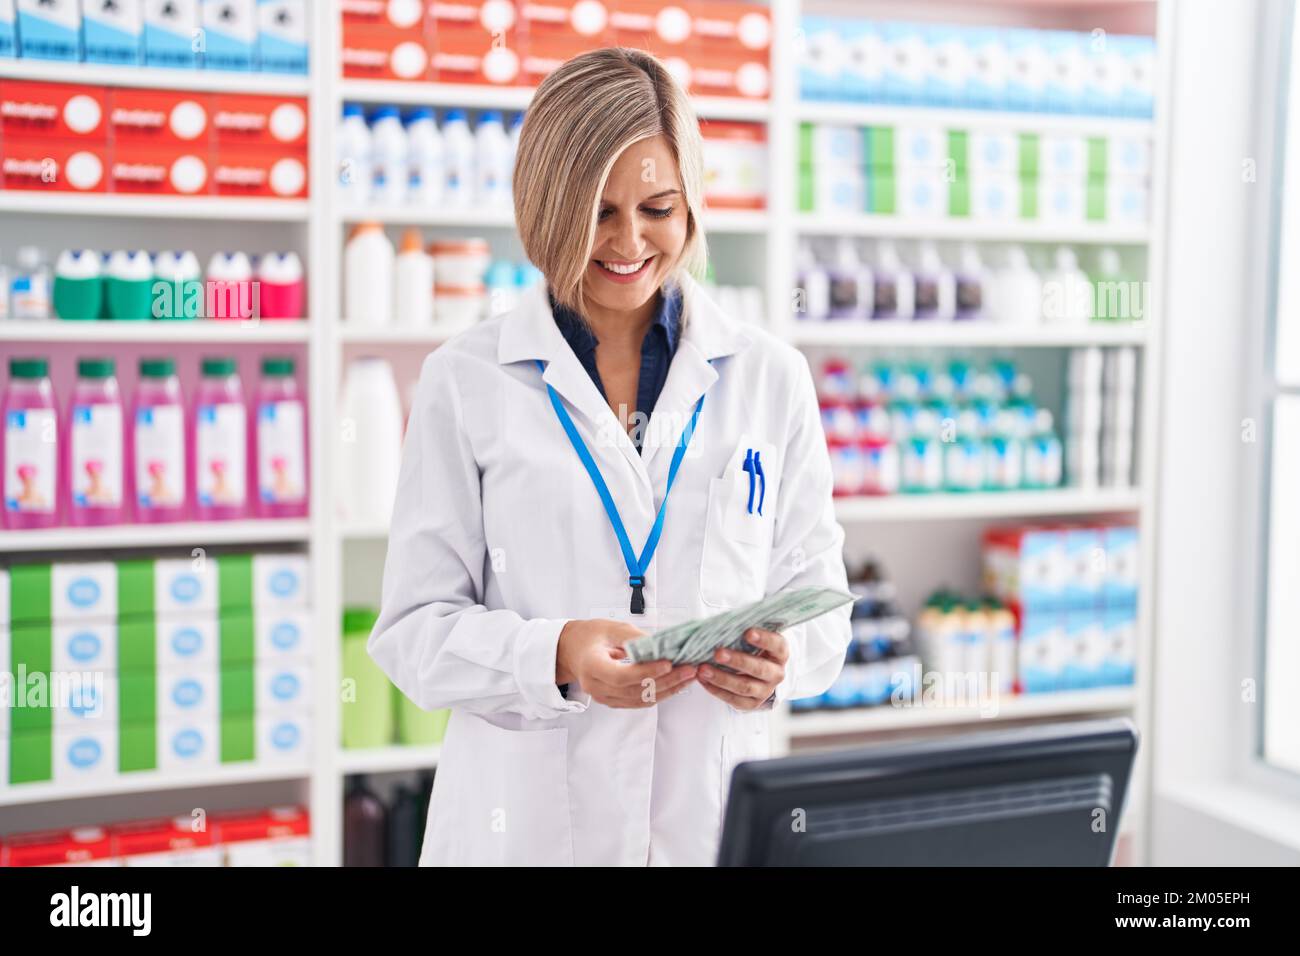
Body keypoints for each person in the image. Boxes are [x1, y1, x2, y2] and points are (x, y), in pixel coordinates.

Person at [368, 47, 851, 866]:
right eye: (598, 212)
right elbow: (414, 632)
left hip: (705, 830)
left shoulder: (769, 377)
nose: (629, 242)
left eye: (658, 207)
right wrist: (557, 654)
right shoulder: (466, 379)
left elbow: (822, 607)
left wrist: (783, 660)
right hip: (527, 835)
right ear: (547, 205)